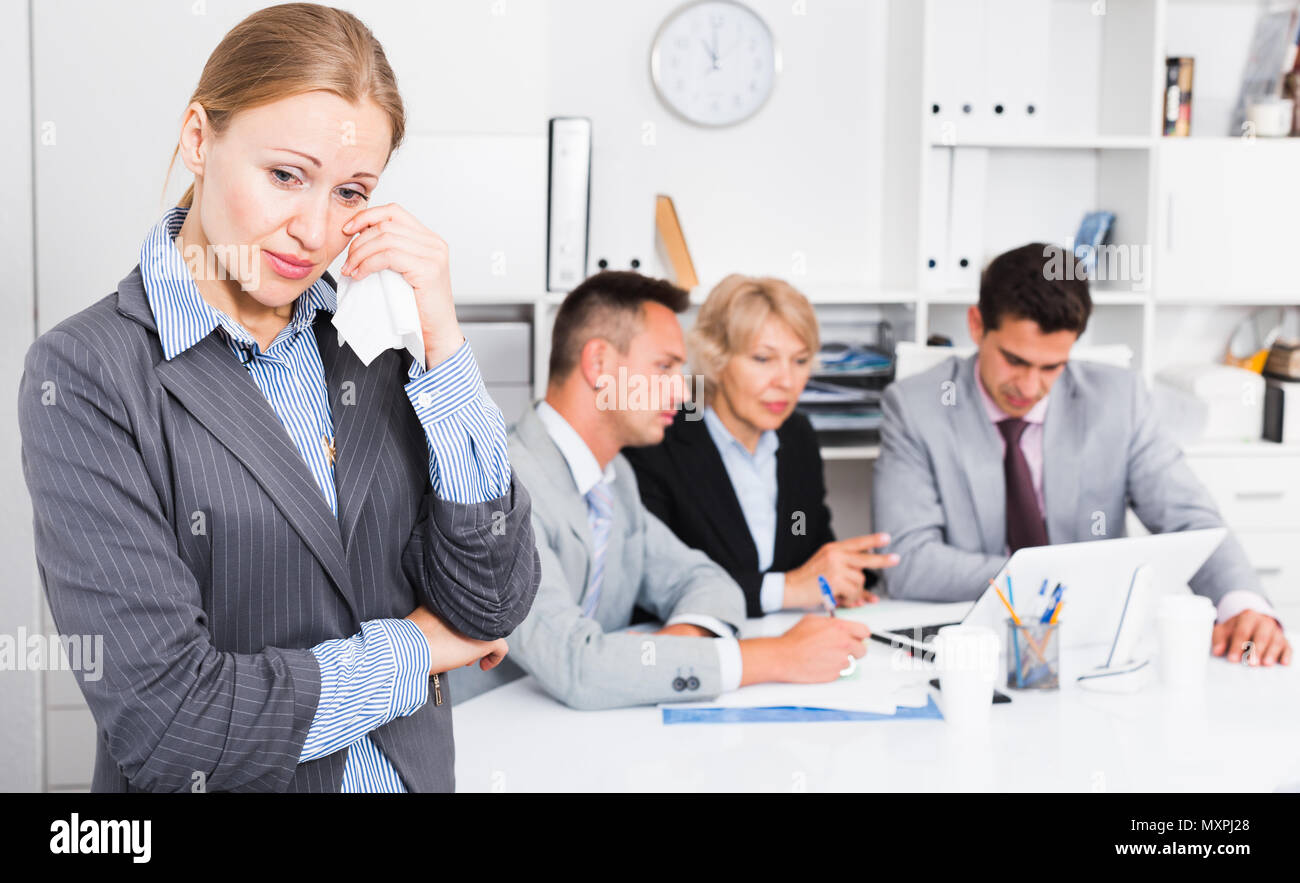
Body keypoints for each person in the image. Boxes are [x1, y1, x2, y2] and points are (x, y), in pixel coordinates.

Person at [17, 3, 539, 793]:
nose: (314, 229)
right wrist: (419, 649)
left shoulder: (381, 344)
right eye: (286, 176)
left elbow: (492, 600)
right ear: (199, 139)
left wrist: (443, 340)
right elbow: (173, 727)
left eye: (350, 192)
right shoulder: (87, 374)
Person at [449, 271, 870, 708]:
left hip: (575, 735)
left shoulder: (613, 480)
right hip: (493, 740)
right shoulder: (496, 486)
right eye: (665, 366)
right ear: (599, 365)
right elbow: (578, 667)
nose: (683, 389)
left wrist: (674, 649)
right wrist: (775, 657)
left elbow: (707, 580)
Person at [872, 242, 1291, 666]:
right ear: (977, 325)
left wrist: (1243, 604)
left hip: (1094, 648)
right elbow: (910, 562)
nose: (1030, 387)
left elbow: (1190, 519)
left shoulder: (1118, 399)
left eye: (1052, 366)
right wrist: (1050, 579)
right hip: (973, 646)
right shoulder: (916, 407)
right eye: (1015, 360)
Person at [623, 274, 897, 618]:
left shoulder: (796, 435)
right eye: (763, 359)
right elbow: (654, 587)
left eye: (799, 361)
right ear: (716, 360)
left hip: (788, 643)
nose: (786, 381)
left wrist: (840, 579)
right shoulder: (659, 439)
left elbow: (810, 550)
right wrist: (789, 589)